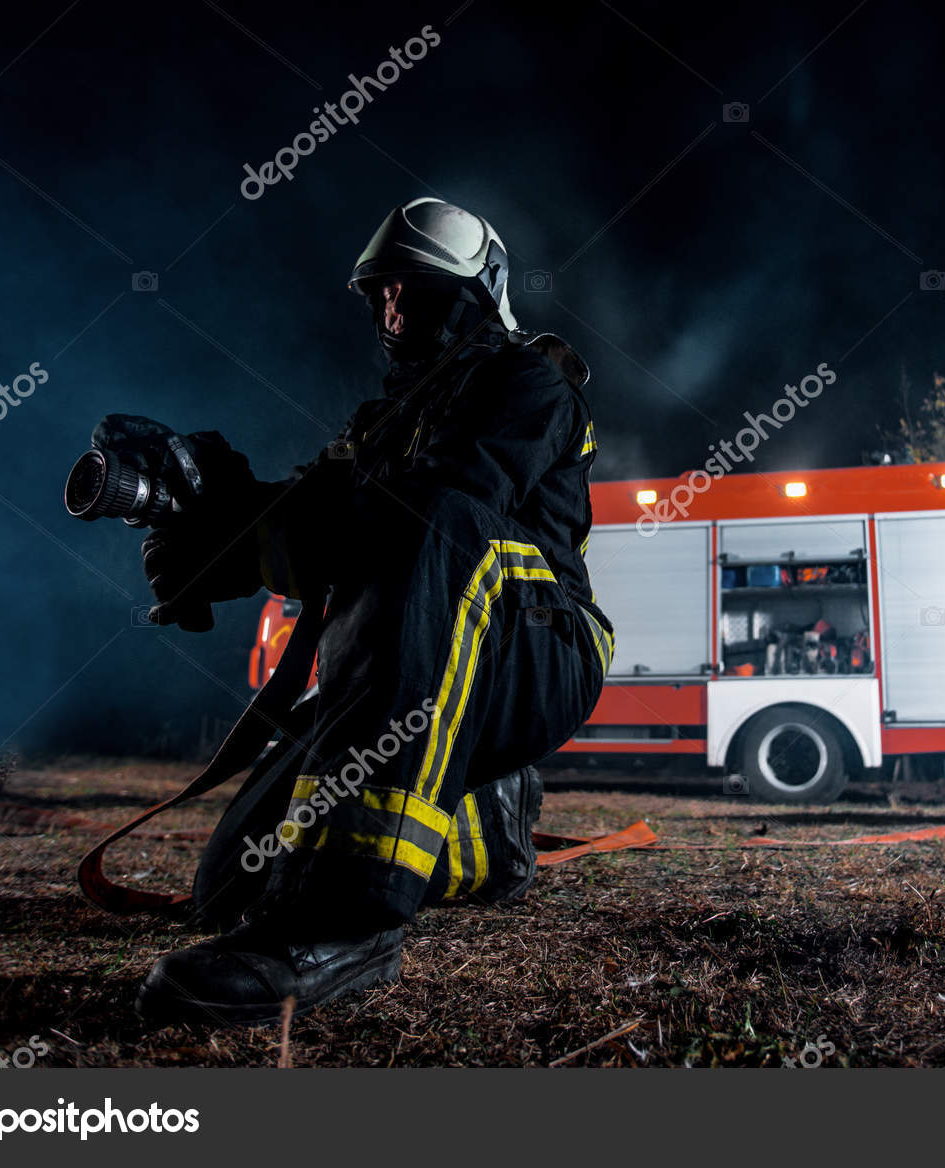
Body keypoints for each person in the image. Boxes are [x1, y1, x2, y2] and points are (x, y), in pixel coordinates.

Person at [101, 197, 613, 1025]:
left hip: (539, 649)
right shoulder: (381, 426)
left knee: (434, 523)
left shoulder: (530, 380)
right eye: (380, 293)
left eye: (415, 289)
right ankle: (484, 828)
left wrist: (274, 528)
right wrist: (203, 523)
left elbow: (439, 506)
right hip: (436, 658)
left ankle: (347, 923)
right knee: (233, 881)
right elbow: (319, 518)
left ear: (474, 293)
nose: (394, 309)